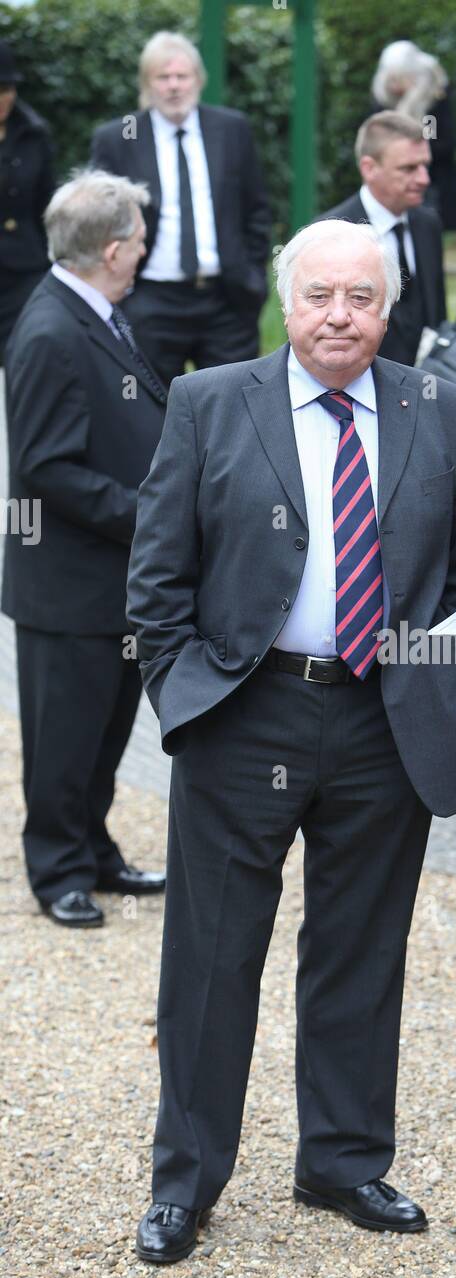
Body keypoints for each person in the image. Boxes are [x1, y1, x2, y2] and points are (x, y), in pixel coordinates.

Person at [127, 220, 456, 1264]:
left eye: (361, 298)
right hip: (247, 714)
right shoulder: (208, 402)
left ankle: (341, 1160)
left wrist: (435, 674)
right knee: (210, 957)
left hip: (387, 717)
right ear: (287, 305)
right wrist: (184, 697)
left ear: (390, 309)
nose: (341, 315)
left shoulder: (437, 406)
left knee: (360, 952)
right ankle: (185, 1182)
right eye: (321, 295)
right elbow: (157, 578)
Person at [1, 171, 167, 928]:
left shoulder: (92, 311)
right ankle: (58, 869)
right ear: (110, 248)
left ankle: (93, 849)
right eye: (136, 239)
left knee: (105, 729)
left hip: (108, 582)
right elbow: (45, 467)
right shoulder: (49, 331)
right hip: (68, 587)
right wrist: (151, 515)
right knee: (64, 737)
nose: (142, 252)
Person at [90, 30, 271, 383]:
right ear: (147, 84)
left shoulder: (231, 128)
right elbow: (100, 221)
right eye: (163, 77)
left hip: (225, 299)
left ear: (198, 81)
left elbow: (256, 208)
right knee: (148, 414)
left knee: (231, 411)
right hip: (148, 299)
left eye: (182, 76)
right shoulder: (119, 138)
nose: (174, 86)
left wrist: (251, 278)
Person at [321, 112, 446, 367]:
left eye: (425, 165)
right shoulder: (331, 233)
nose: (424, 179)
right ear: (369, 168)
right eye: (409, 168)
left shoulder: (427, 224)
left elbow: (436, 315)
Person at [370, 40, 456, 231]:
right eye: (393, 80)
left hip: (435, 175)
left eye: (401, 79)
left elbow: (440, 140)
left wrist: (415, 154)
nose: (397, 87)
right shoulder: (383, 94)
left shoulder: (434, 92)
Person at [0, 40, 54, 362]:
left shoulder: (35, 133)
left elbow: (46, 206)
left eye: (7, 88)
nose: (3, 98)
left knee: (25, 359)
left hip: (24, 270)